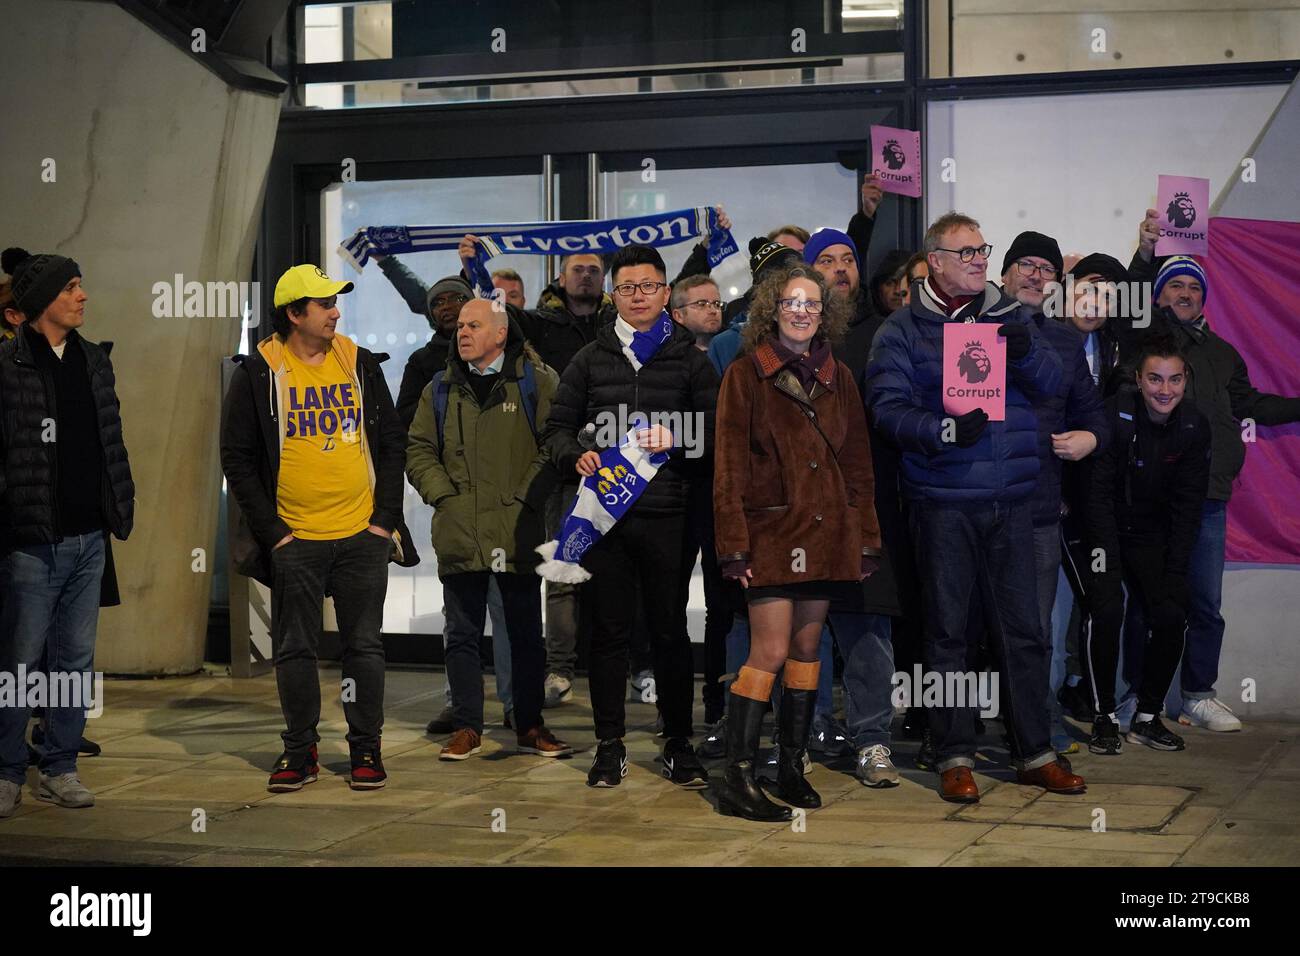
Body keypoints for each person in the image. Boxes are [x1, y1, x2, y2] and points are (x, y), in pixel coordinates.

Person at [867, 212, 1086, 803]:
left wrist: (1024, 350)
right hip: (942, 503)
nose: (978, 260)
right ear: (933, 260)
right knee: (946, 636)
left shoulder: (1013, 317)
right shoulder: (904, 329)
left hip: (1014, 500)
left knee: (1025, 633)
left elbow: (1050, 384)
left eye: (982, 251)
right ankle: (955, 753)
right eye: (965, 252)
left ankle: (1035, 751)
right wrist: (938, 428)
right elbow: (884, 409)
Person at [220, 264, 416, 793]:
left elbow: (393, 443)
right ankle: (300, 751)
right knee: (295, 650)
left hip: (361, 535)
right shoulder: (260, 371)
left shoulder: (356, 362)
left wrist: (384, 521)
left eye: (336, 302)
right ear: (293, 314)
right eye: (324, 303)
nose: (335, 311)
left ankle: (365, 750)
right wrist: (275, 534)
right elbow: (236, 459)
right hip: (295, 539)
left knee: (365, 647)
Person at [543, 245, 719, 789]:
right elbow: (555, 430)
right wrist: (576, 455)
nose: (638, 296)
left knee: (669, 632)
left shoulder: (692, 359)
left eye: (649, 287)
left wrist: (680, 438)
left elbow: (719, 432)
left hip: (670, 516)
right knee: (608, 635)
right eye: (628, 288)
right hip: (605, 518)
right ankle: (609, 744)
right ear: (613, 294)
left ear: (667, 294)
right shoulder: (589, 359)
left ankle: (677, 743)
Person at [711, 262, 880, 820]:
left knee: (808, 651)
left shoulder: (841, 377)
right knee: (771, 652)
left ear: (824, 313)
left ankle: (789, 764)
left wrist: (866, 538)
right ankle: (736, 777)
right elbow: (729, 468)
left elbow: (858, 466)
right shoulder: (745, 375)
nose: (802, 312)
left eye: (811, 304)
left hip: (828, 534)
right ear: (772, 309)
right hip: (770, 535)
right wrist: (734, 546)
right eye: (791, 302)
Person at [1124, 229, 1300, 732]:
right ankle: (1136, 699)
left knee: (1205, 603)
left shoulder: (1224, 353)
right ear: (1157, 296)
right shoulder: (1144, 342)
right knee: (1145, 604)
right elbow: (1130, 301)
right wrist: (1142, 253)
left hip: (1207, 499)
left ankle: (1197, 695)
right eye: (1174, 286)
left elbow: (1252, 406)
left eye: (1194, 288)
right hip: (1151, 499)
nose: (1185, 294)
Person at [405, 299, 572, 759]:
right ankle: (467, 726)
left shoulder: (536, 382)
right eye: (460, 326)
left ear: (500, 334)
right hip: (460, 527)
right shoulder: (439, 388)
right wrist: (445, 496)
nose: (462, 332)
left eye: (473, 325)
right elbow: (417, 448)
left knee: (523, 633)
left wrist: (524, 499)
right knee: (460, 632)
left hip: (515, 527)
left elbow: (554, 444)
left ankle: (529, 724)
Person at [0, 249, 134, 817]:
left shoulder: (92, 362)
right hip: (30, 541)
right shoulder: (8, 367)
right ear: (39, 304)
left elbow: (109, 441)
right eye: (71, 287)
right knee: (18, 661)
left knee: (75, 660)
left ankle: (60, 765)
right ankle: (7, 770)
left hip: (87, 538)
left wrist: (116, 507)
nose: (82, 296)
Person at [1084, 336, 1210, 754]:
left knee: (1173, 612)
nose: (1164, 390)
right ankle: (1102, 717)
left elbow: (1189, 506)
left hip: (1150, 533)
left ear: (1185, 380)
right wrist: (1107, 554)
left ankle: (1146, 718)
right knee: (1106, 609)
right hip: (1099, 527)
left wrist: (1174, 571)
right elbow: (1096, 492)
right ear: (1138, 380)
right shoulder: (1114, 415)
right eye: (1155, 378)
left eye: (1174, 380)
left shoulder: (1193, 424)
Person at [670, 276, 730, 730]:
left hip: (722, 496)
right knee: (667, 604)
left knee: (722, 607)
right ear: (678, 314)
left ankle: (718, 702)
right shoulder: (666, 364)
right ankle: (673, 707)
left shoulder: (736, 357)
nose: (713, 309)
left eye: (717, 302)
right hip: (674, 492)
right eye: (701, 304)